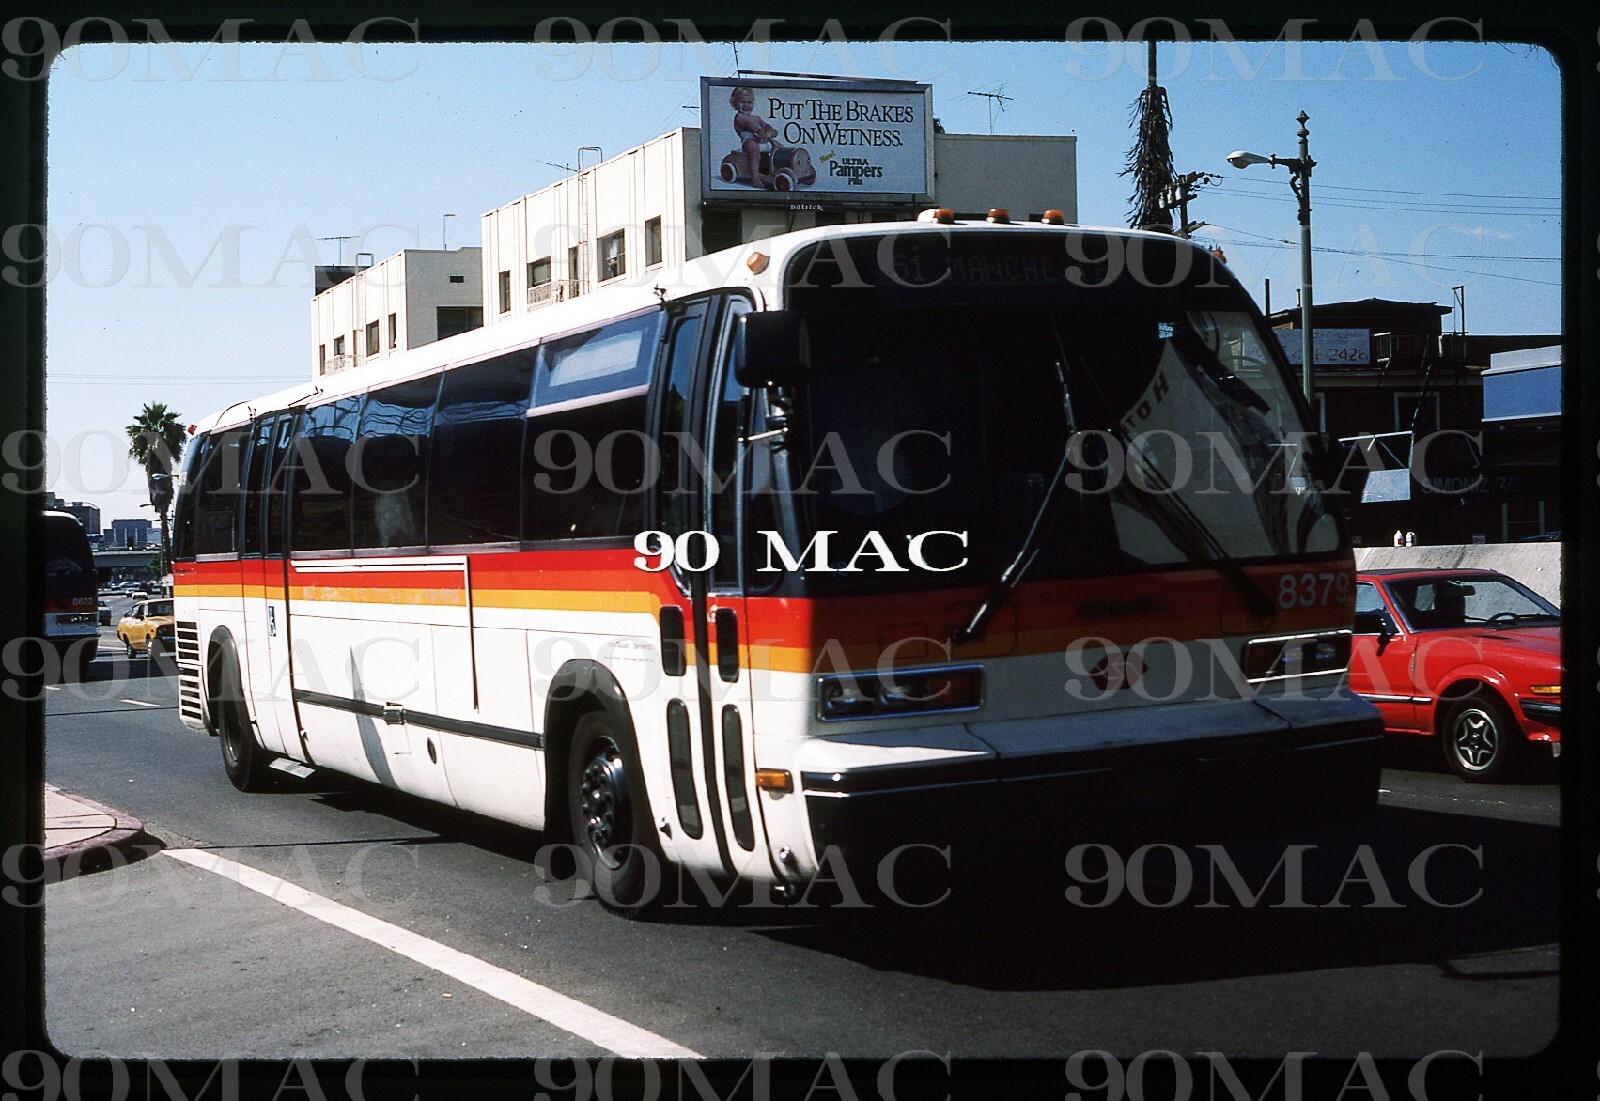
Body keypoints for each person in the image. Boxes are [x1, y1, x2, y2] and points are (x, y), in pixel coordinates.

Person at [730, 86, 781, 187]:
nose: (746, 105)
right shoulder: (739, 117)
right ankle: (755, 178)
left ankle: (776, 170)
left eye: (749, 102)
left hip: (763, 140)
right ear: (735, 103)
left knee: (779, 148)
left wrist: (770, 130)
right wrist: (758, 130)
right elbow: (748, 125)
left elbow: (765, 125)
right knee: (753, 150)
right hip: (749, 141)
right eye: (742, 102)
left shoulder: (757, 117)